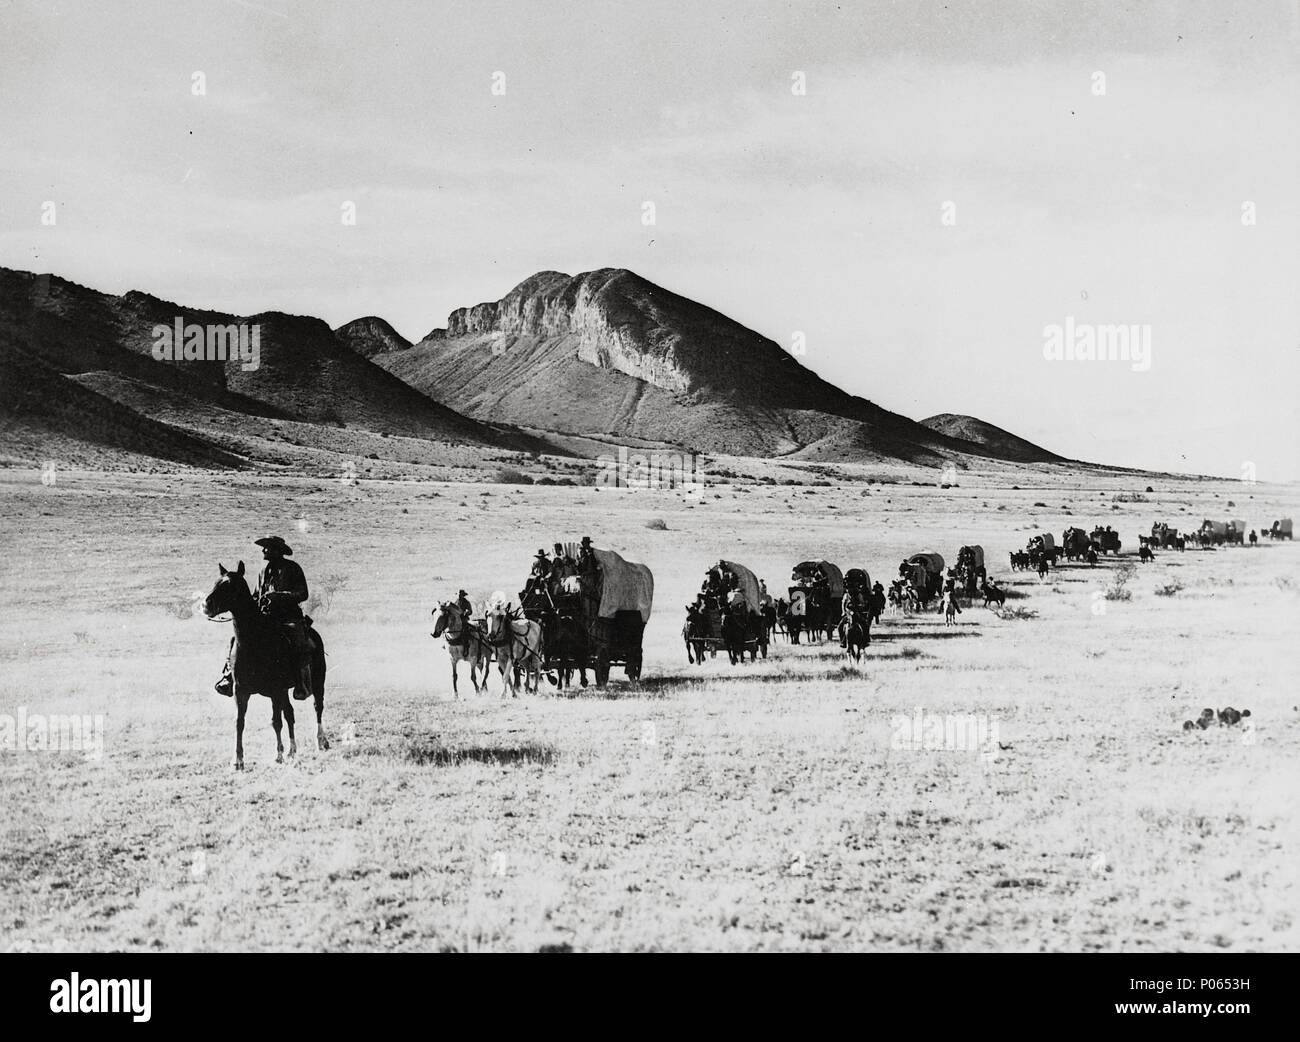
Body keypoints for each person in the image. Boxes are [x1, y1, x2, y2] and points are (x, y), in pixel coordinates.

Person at [215, 535, 313, 699]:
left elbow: (303, 594)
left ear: (276, 550)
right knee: (236, 639)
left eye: (267, 547)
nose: (263, 550)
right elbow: (255, 595)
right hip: (266, 616)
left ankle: (300, 682)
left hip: (287, 617)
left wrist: (279, 596)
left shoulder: (292, 568)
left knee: (295, 637)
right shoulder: (263, 571)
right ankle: (229, 677)